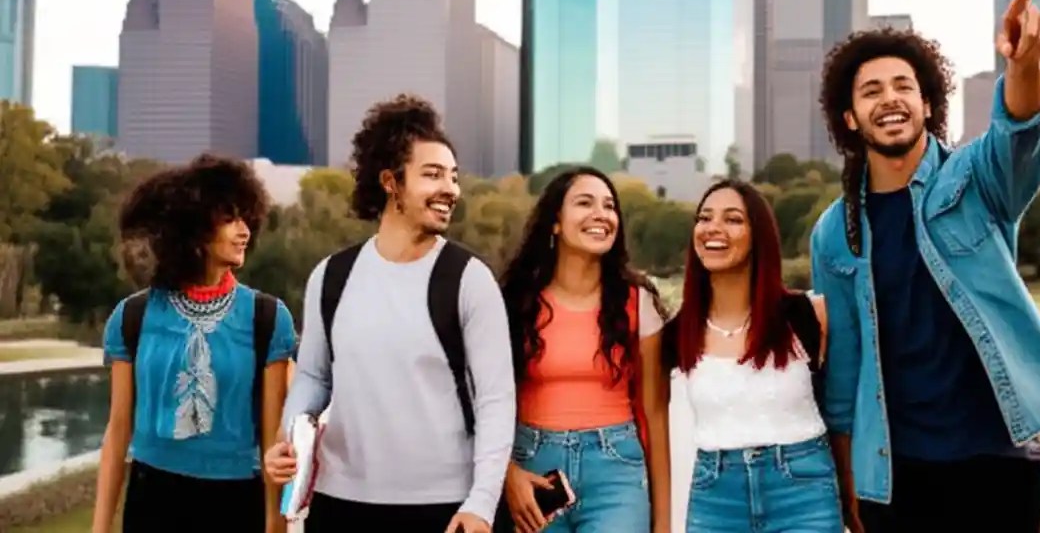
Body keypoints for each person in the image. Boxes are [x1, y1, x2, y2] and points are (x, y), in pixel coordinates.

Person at [811, 0, 1040, 532]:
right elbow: (843, 371)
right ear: (850, 117)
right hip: (895, 471)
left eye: (903, 86)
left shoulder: (977, 180)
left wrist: (1024, 66)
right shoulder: (833, 233)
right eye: (871, 91)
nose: (889, 98)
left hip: (997, 458)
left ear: (928, 104)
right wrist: (849, 484)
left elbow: (1020, 131)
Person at [263, 94, 515, 532]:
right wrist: (290, 439)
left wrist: (482, 502)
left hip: (444, 505)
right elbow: (312, 377)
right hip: (340, 503)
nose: (450, 190)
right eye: (432, 175)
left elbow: (496, 400)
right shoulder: (332, 277)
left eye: (453, 177)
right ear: (390, 181)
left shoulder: (469, 279)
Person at [94, 154, 297, 533]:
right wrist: (101, 526)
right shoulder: (132, 317)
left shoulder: (268, 319)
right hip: (151, 499)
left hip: (235, 502)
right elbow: (118, 429)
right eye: (230, 219)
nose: (245, 232)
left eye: (247, 219)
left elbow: (274, 436)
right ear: (193, 228)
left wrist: (275, 521)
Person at [498, 166, 671, 533]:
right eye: (584, 203)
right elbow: (488, 405)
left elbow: (657, 417)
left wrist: (664, 522)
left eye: (610, 206)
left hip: (617, 472)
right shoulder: (515, 303)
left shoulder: (638, 304)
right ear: (555, 222)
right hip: (534, 470)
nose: (601, 214)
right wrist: (508, 474)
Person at [665, 180, 841, 533]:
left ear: (757, 235)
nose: (713, 228)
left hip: (803, 491)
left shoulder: (808, 315)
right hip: (714, 497)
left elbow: (845, 408)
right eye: (704, 217)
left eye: (733, 219)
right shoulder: (676, 333)